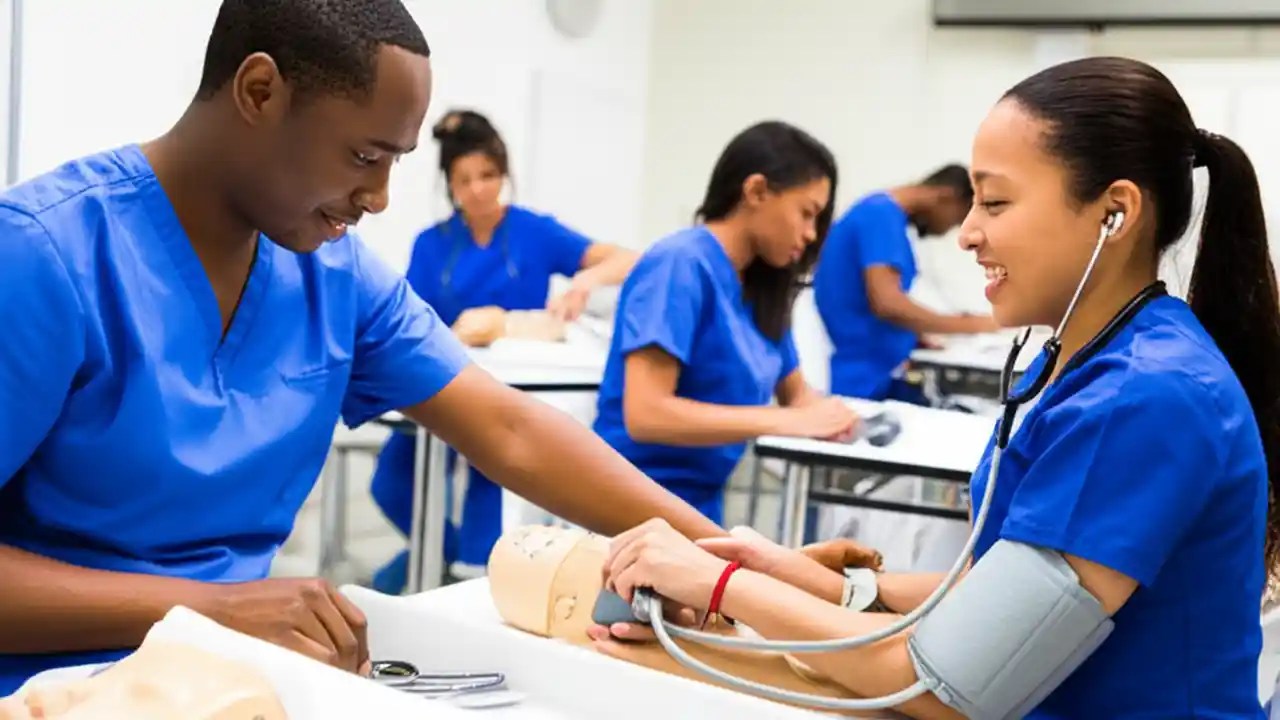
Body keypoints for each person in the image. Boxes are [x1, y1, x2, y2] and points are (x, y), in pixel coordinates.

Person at [0, 0, 722, 697]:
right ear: (260, 91)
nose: (377, 195)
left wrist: (725, 564)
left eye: (394, 163)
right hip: (53, 688)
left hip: (229, 674)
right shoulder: (45, 255)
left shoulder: (332, 274)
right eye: (364, 155)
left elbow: (510, 429)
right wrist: (208, 608)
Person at [590, 56, 1280, 719]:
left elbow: (946, 687)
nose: (968, 234)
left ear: (1114, 213)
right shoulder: (1103, 365)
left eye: (997, 202)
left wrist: (724, 588)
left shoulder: (1148, 398)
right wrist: (808, 578)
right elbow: (999, 584)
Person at [367, 109, 638, 589]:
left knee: (489, 499)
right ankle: (442, 564)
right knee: (391, 482)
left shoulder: (534, 232)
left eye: (488, 176)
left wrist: (587, 280)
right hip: (442, 382)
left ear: (505, 174)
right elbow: (406, 322)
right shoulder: (432, 245)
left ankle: (472, 575)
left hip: (506, 394)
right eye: (464, 179)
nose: (478, 190)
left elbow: (628, 259)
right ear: (449, 184)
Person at [591, 121, 861, 527]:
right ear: (755, 191)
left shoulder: (758, 287)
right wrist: (785, 420)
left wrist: (849, 419)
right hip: (631, 502)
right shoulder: (679, 265)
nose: (809, 234)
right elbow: (646, 414)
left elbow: (797, 395)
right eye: (807, 214)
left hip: (697, 506)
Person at [812, 164, 997, 402]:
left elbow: (864, 300)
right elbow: (887, 304)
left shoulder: (881, 215)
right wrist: (970, 324)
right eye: (957, 220)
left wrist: (912, 334)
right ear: (946, 197)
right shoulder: (880, 216)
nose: (948, 230)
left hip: (878, 373)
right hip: (863, 383)